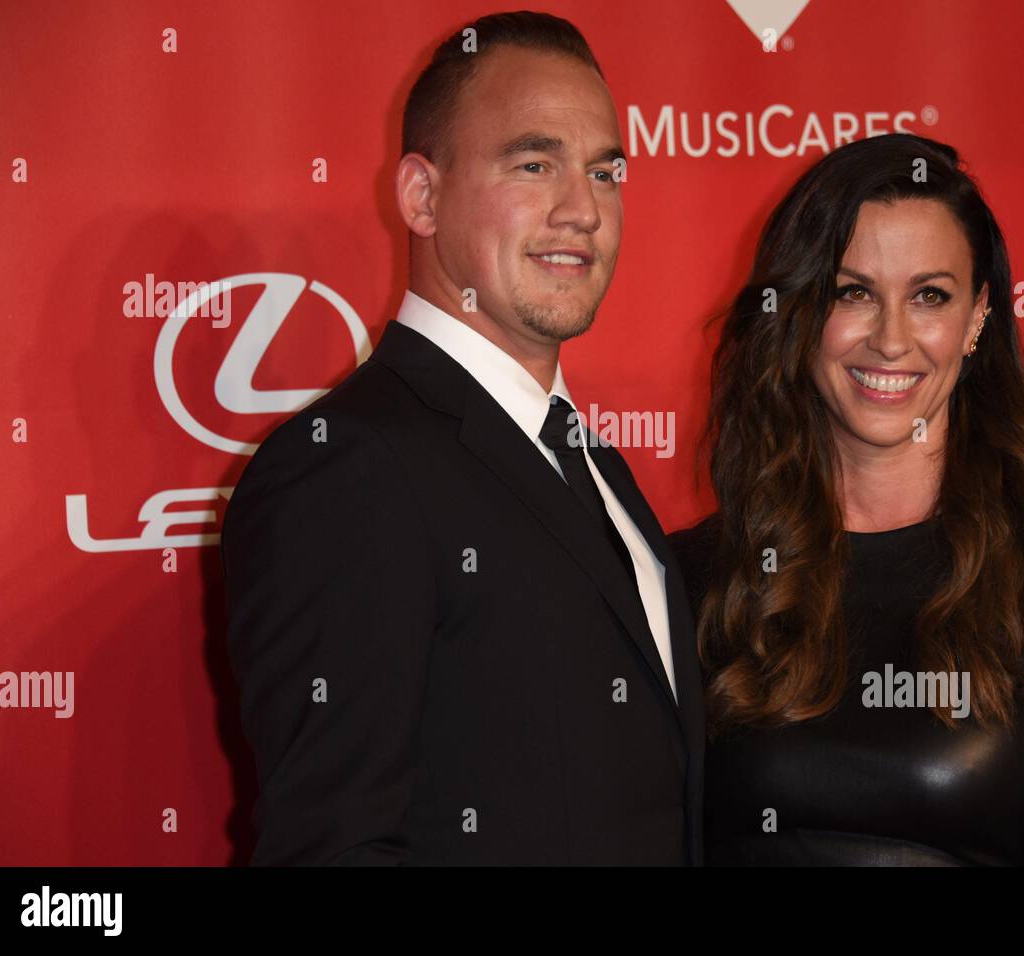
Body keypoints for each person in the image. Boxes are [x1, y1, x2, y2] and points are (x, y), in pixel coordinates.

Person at [223, 11, 704, 865]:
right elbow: (335, 848)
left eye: (605, 170)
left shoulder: (591, 462)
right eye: (533, 163)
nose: (583, 209)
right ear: (421, 195)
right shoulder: (346, 469)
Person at [669, 133, 1024, 866]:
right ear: (798, 313)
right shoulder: (697, 577)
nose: (891, 340)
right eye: (852, 292)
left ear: (978, 318)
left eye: (930, 296)